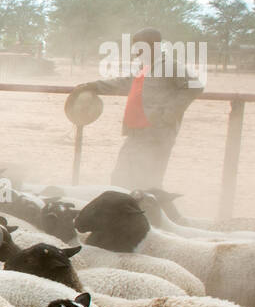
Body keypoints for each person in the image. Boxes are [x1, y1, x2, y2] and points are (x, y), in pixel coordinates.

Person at [74, 27, 202, 190]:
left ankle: (161, 214)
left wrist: (170, 113)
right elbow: (124, 83)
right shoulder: (145, 67)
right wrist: (92, 86)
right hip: (138, 132)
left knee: (148, 183)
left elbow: (195, 86)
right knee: (121, 178)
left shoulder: (170, 66)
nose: (135, 51)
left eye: (139, 47)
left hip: (157, 133)